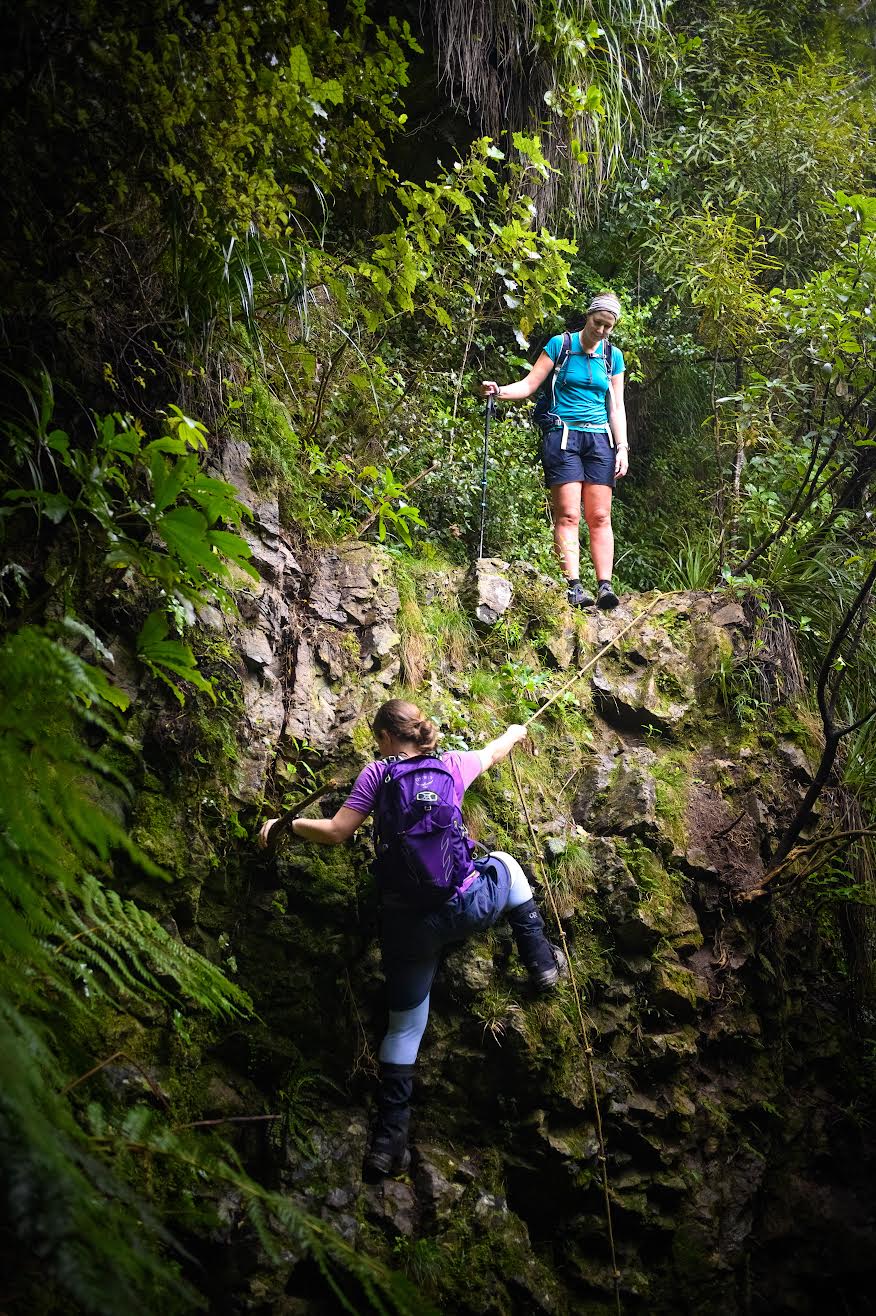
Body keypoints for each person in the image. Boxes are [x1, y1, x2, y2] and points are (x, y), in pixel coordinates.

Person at [258, 698, 566, 1180]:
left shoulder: (377, 775)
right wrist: (515, 732)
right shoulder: (450, 766)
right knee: (506, 864)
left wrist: (286, 826)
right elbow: (493, 752)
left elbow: (338, 832)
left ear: (384, 736)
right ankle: (543, 964)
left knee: (404, 1030)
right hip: (463, 905)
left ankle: (388, 1143)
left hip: (408, 927)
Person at [481, 291, 628, 610]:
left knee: (600, 515)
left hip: (600, 439)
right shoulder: (560, 346)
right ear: (588, 317)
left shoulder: (612, 356)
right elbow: (530, 384)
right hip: (563, 436)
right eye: (598, 322)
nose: (601, 331)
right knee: (569, 513)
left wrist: (622, 447)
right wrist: (501, 391)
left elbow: (616, 407)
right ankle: (574, 586)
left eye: (608, 327)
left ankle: (605, 586)